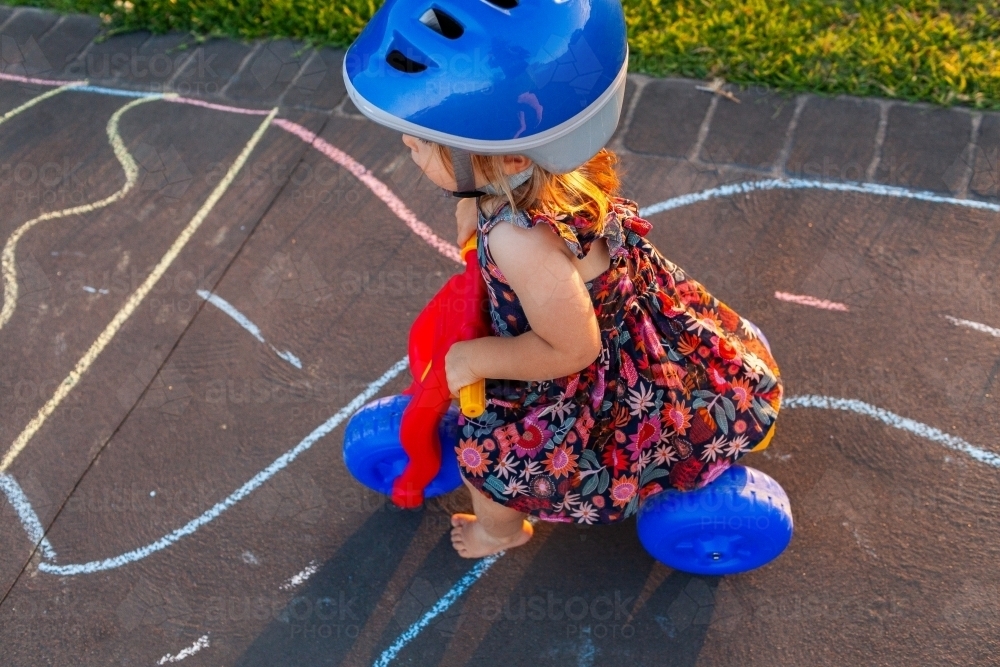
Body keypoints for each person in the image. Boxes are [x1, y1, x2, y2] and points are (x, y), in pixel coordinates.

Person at [343, 0, 783, 558]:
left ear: (507, 162)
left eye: (423, 144)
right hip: (633, 316)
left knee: (493, 460)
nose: (408, 147)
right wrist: (473, 204)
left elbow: (573, 347)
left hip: (592, 381)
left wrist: (476, 360)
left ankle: (499, 532)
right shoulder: (555, 163)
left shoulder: (519, 241)